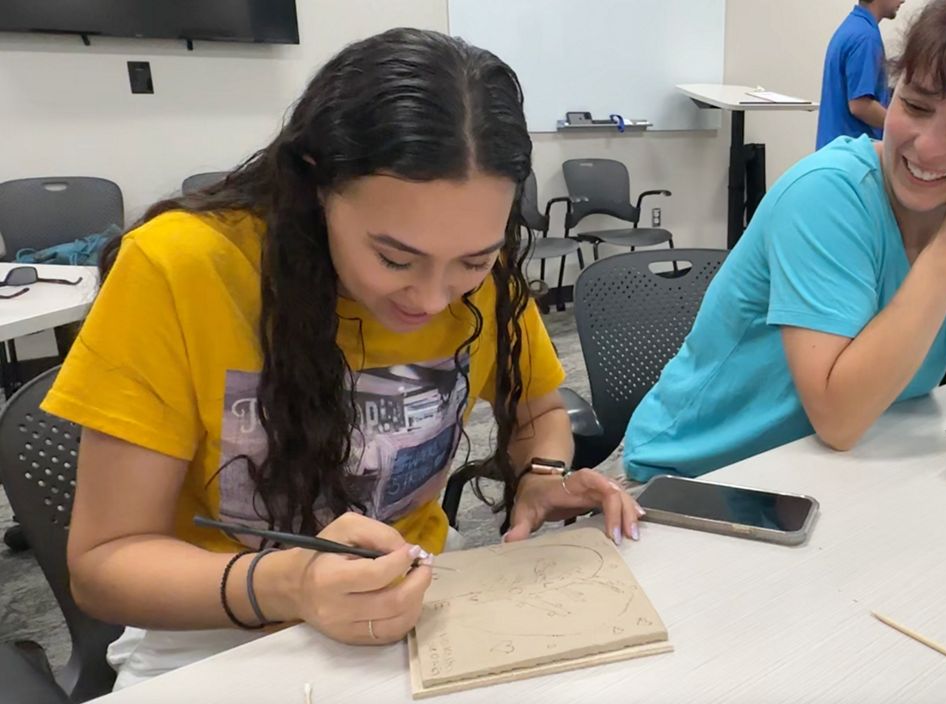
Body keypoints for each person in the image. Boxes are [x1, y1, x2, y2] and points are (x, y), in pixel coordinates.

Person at [42, 28, 641, 689]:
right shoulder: (181, 268)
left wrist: (542, 475)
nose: (432, 295)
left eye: (471, 262)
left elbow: (539, 409)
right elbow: (103, 565)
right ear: (314, 186)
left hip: (414, 610)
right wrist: (289, 586)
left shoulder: (481, 274)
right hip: (217, 636)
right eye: (393, 258)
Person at [624, 0, 946, 481]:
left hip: (829, 468)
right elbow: (838, 418)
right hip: (694, 474)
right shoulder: (827, 195)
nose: (925, 146)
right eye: (915, 105)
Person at [815, 0, 905, 148]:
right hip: (849, 155)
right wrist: (901, 127)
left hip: (835, 150)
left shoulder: (852, 27)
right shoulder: (866, 38)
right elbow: (860, 106)